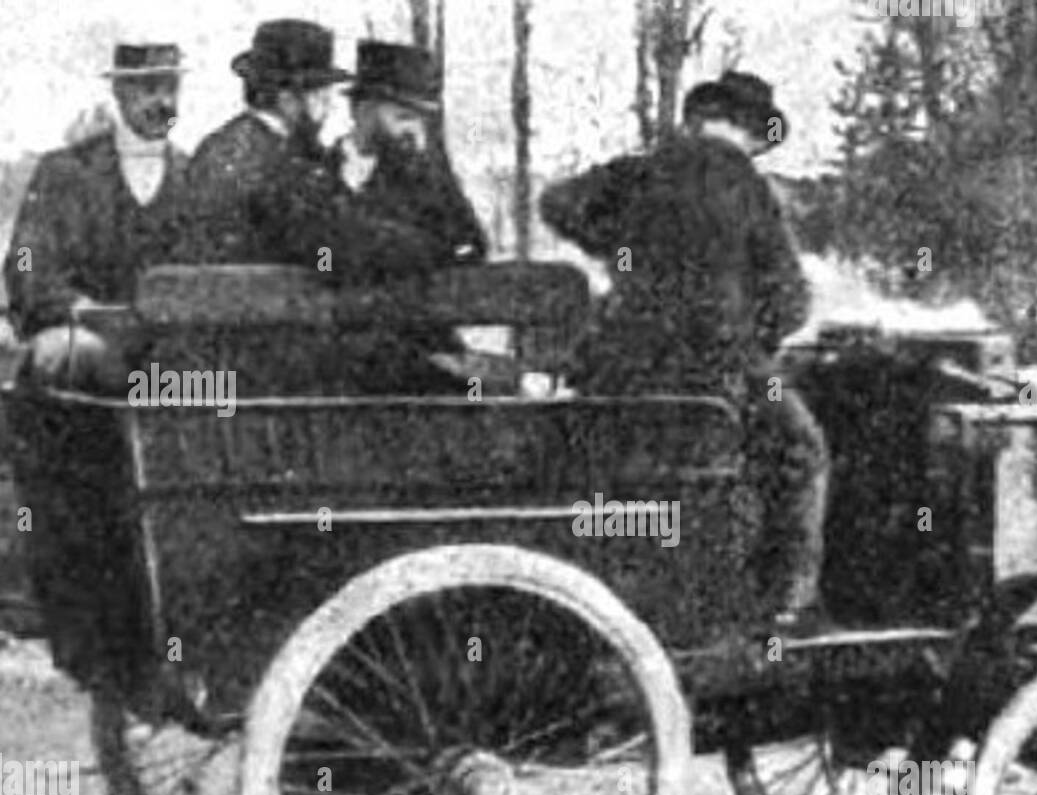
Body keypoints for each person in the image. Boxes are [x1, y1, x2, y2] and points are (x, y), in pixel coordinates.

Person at [539, 71, 829, 628]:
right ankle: (789, 604)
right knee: (803, 452)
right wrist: (751, 337)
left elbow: (556, 202)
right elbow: (791, 301)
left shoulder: (639, 171)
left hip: (618, 367)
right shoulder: (747, 184)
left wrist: (615, 242)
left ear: (699, 119)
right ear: (749, 132)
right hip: (716, 367)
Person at [3, 43, 189, 392]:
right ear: (120, 91)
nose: (164, 103)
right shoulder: (64, 173)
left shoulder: (193, 177)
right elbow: (25, 262)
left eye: (171, 88)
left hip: (170, 349)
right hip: (88, 341)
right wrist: (83, 309)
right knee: (67, 353)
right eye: (149, 89)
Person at [328, 41, 490, 393]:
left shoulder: (426, 179)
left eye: (419, 119)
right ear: (363, 110)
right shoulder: (316, 171)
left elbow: (470, 245)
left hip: (418, 346)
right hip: (338, 350)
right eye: (402, 116)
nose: (412, 130)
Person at [176, 19, 350, 265]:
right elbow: (322, 257)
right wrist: (331, 261)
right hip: (268, 297)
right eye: (320, 94)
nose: (329, 106)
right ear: (287, 98)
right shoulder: (294, 163)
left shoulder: (216, 147)